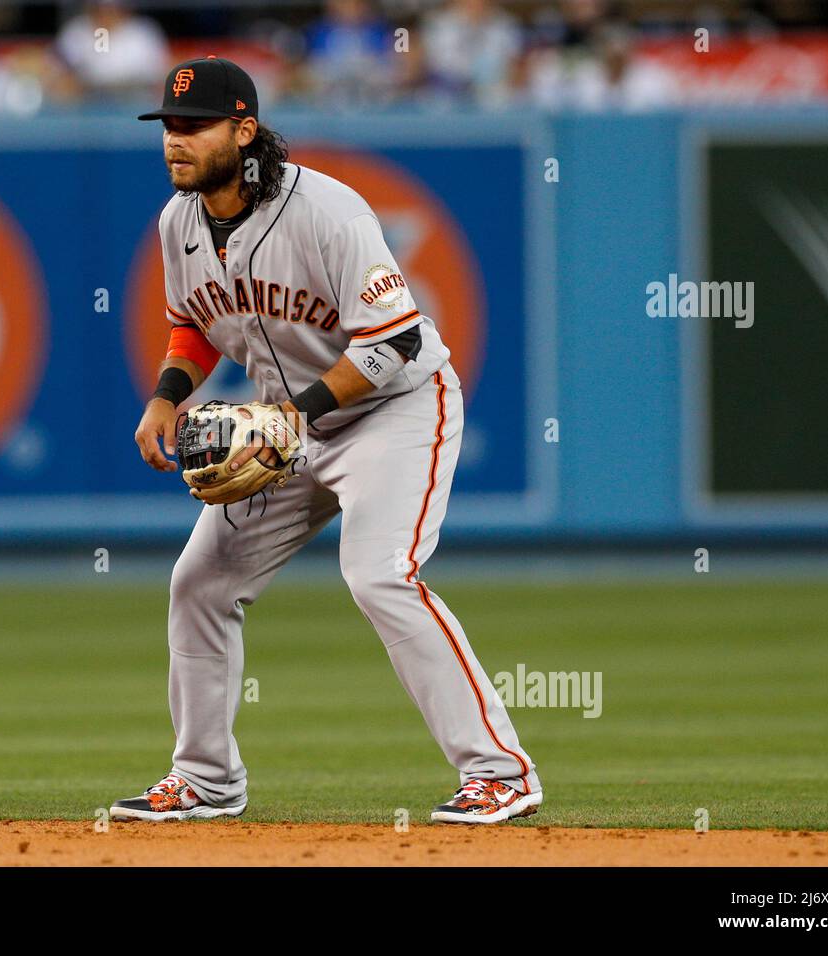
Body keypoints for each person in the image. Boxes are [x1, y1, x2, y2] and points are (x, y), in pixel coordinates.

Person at [113, 56, 542, 824]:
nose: (176, 141)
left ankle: (500, 771)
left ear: (244, 131)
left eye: (195, 126)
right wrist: (166, 398)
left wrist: (293, 418)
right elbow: (195, 323)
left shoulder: (327, 211)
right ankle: (206, 780)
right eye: (168, 127)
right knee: (199, 584)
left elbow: (395, 343)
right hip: (290, 423)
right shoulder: (178, 222)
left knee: (380, 576)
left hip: (394, 410)